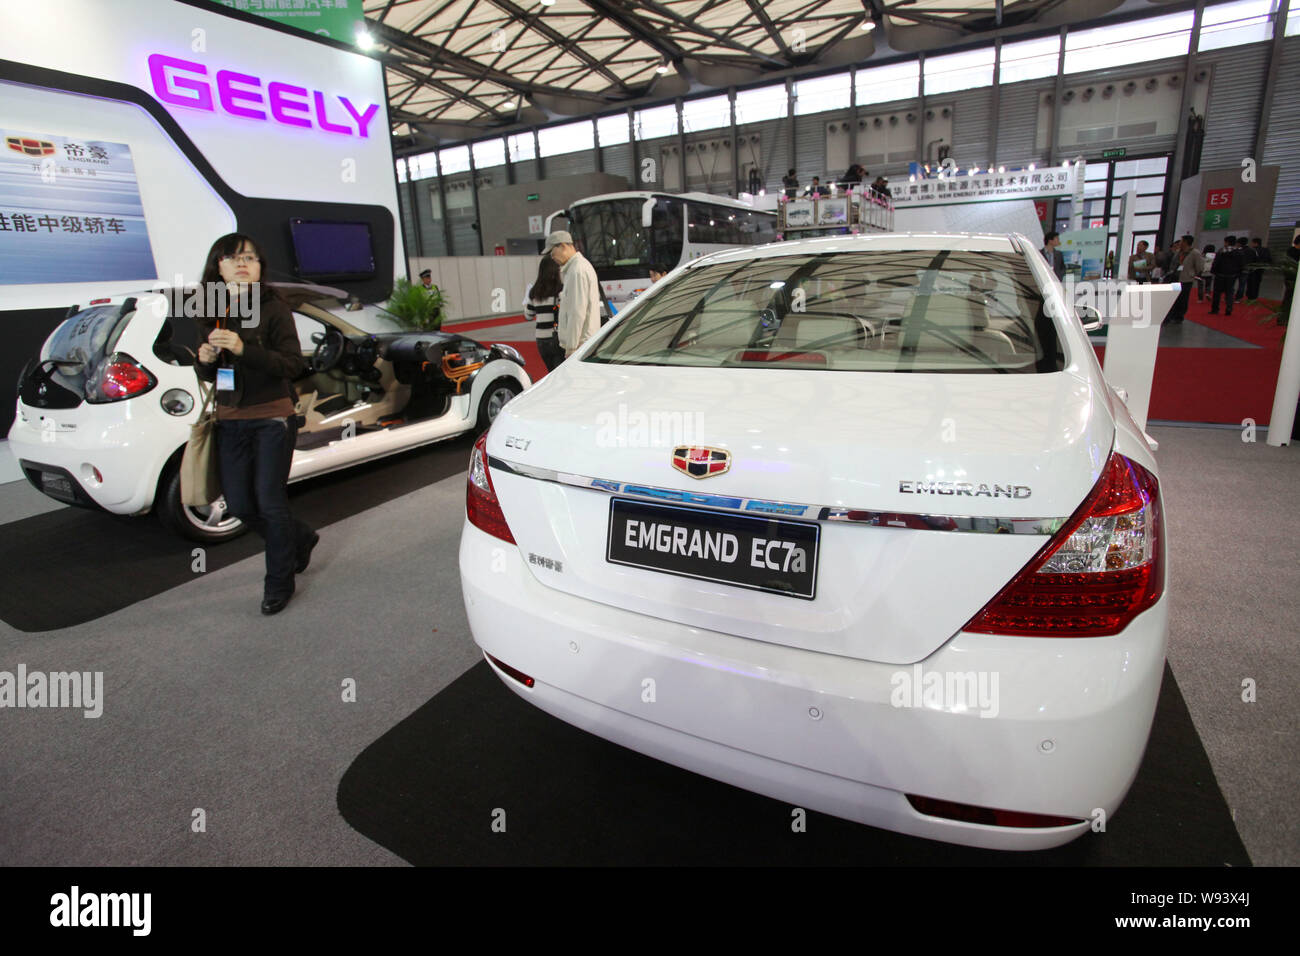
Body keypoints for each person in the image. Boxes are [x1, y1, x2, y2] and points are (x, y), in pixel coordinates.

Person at [194, 233, 317, 615]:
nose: (243, 263)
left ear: (260, 267)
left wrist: (246, 350)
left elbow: (293, 364)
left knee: (269, 500)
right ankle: (301, 538)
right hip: (230, 418)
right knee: (243, 505)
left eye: (251, 257)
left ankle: (278, 583)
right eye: (233, 258)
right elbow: (209, 373)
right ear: (219, 267)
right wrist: (205, 357)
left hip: (272, 417)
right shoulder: (210, 308)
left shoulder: (273, 307)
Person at [546, 230, 600, 358]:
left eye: (552, 252)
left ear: (563, 246)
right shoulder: (576, 268)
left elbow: (577, 312)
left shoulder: (577, 271)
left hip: (581, 345)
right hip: (583, 343)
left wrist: (571, 348)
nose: (552, 257)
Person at [526, 254, 564, 373]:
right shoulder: (560, 290)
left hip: (540, 340)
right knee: (560, 373)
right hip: (556, 338)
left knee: (550, 372)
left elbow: (528, 315)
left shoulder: (534, 291)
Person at [1166, 235, 1204, 326]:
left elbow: (1200, 267)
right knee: (1173, 297)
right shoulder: (1179, 252)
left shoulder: (1195, 253)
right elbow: (1173, 263)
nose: (1179, 243)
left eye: (1181, 241)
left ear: (1186, 242)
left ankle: (1179, 316)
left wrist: (1192, 273)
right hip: (1175, 277)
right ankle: (1171, 315)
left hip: (1186, 279)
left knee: (1183, 299)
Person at [1209, 236, 1244, 315]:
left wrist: (1213, 271)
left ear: (1227, 242)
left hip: (1220, 275)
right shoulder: (1239, 252)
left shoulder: (1221, 251)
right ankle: (1229, 308)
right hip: (1232, 275)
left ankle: (1215, 309)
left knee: (1217, 292)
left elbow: (1216, 262)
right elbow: (1241, 264)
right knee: (1230, 292)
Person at [1234, 236, 1254, 301]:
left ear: (1240, 243)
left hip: (1237, 269)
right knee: (1242, 285)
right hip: (1246, 269)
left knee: (1232, 283)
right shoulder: (1251, 250)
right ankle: (1238, 298)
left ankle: (1230, 296)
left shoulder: (1238, 251)